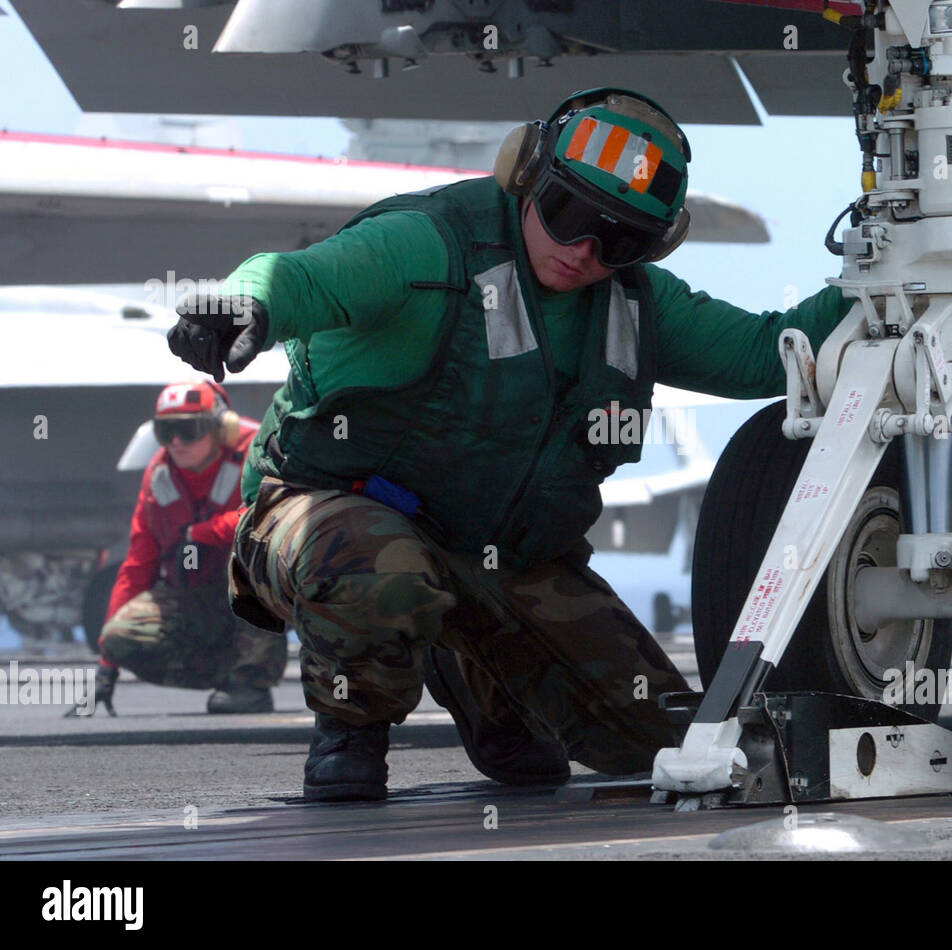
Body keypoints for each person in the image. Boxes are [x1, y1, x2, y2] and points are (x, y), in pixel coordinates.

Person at [166, 87, 852, 800]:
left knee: (659, 742)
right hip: (325, 512)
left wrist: (887, 273)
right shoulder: (426, 244)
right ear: (525, 174)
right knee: (384, 571)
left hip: (497, 550)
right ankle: (350, 735)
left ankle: (474, 670)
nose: (583, 251)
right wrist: (239, 305)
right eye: (568, 214)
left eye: (617, 239)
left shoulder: (637, 303)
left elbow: (765, 353)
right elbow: (299, 279)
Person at [81, 381, 288, 716]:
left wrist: (204, 534)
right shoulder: (159, 474)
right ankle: (227, 673)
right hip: (198, 594)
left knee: (253, 558)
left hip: (271, 587)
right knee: (122, 636)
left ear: (221, 428)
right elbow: (138, 564)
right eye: (167, 431)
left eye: (188, 430)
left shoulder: (258, 451)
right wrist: (108, 664)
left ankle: (252, 680)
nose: (176, 442)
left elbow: (277, 512)